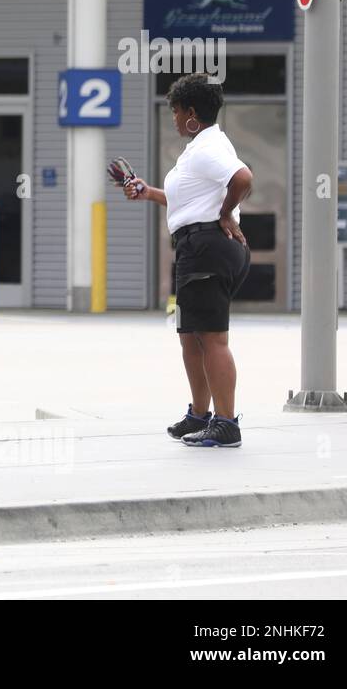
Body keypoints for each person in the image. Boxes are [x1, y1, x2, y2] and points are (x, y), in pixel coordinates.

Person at [123, 72, 253, 448]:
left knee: (212, 338)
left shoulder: (208, 149)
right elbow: (192, 201)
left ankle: (226, 424)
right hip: (196, 248)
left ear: (192, 112)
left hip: (208, 246)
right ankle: (200, 414)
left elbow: (243, 179)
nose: (175, 120)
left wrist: (227, 213)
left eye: (177, 112)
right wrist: (149, 193)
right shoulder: (200, 148)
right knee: (190, 336)